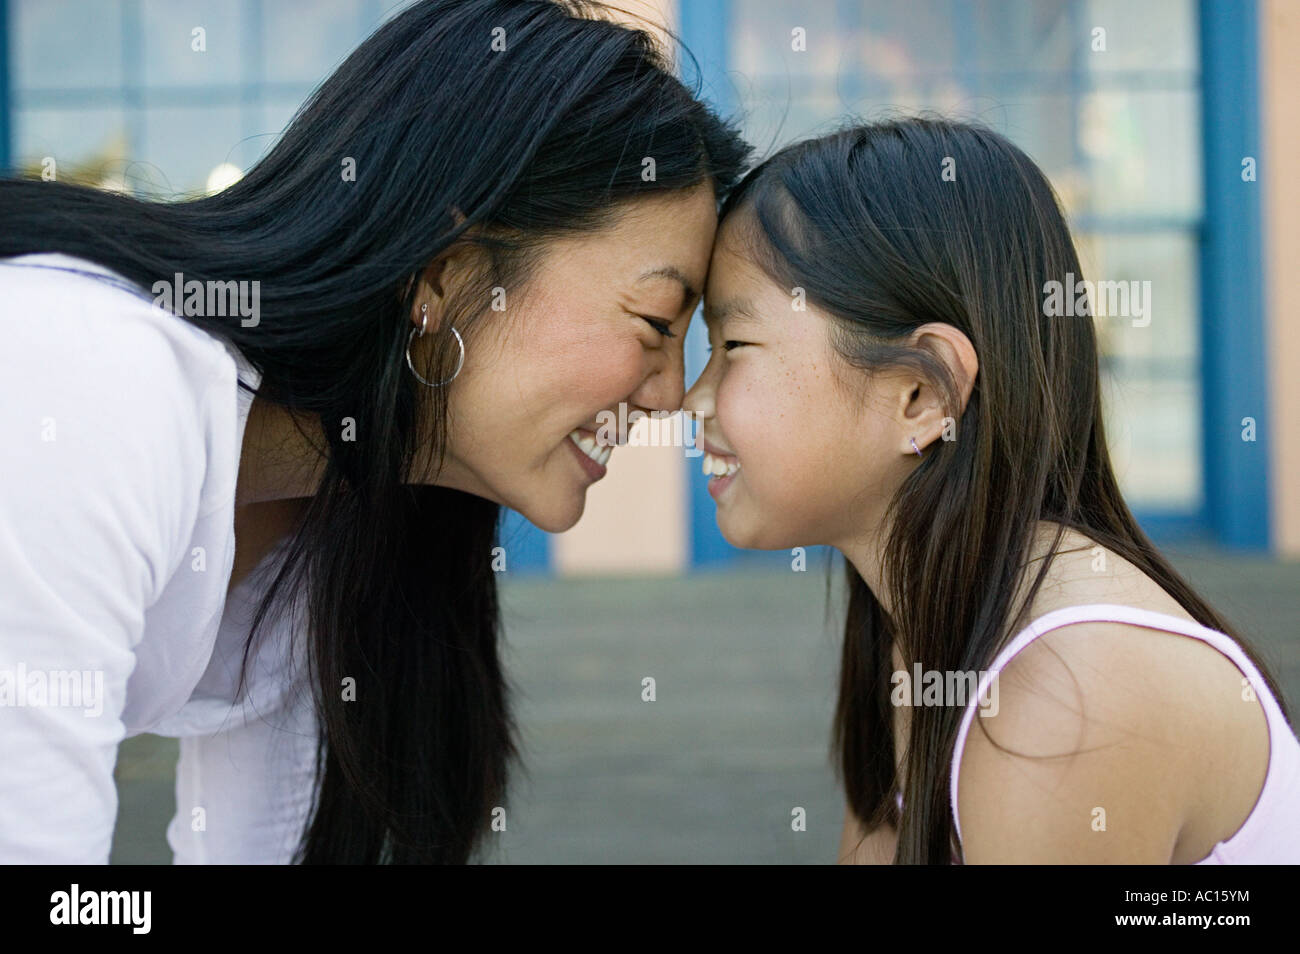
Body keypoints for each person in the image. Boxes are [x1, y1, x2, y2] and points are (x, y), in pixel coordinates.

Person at [0, 0, 751, 863]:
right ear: (445, 275)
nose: (670, 396)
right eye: (658, 322)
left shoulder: (336, 512)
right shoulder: (84, 382)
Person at [683, 116, 1300, 864]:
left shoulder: (1068, 695)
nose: (693, 401)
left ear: (920, 393)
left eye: (734, 346)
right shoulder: (933, 615)